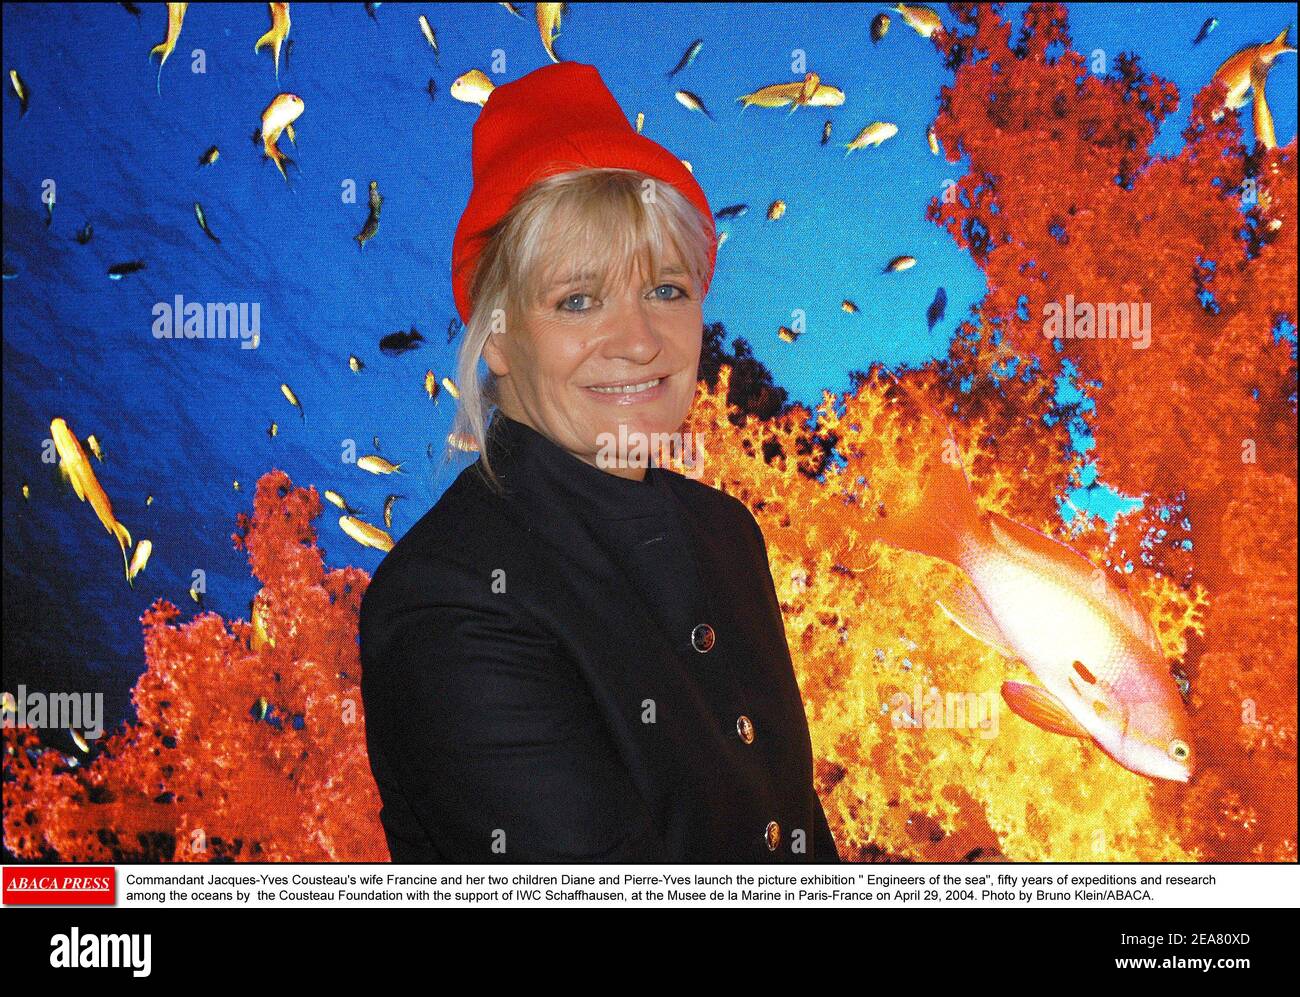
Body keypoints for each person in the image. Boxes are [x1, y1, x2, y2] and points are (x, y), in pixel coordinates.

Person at [359, 61, 839, 863]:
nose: (640, 340)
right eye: (578, 300)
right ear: (499, 335)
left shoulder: (726, 531)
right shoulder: (447, 603)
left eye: (667, 290)